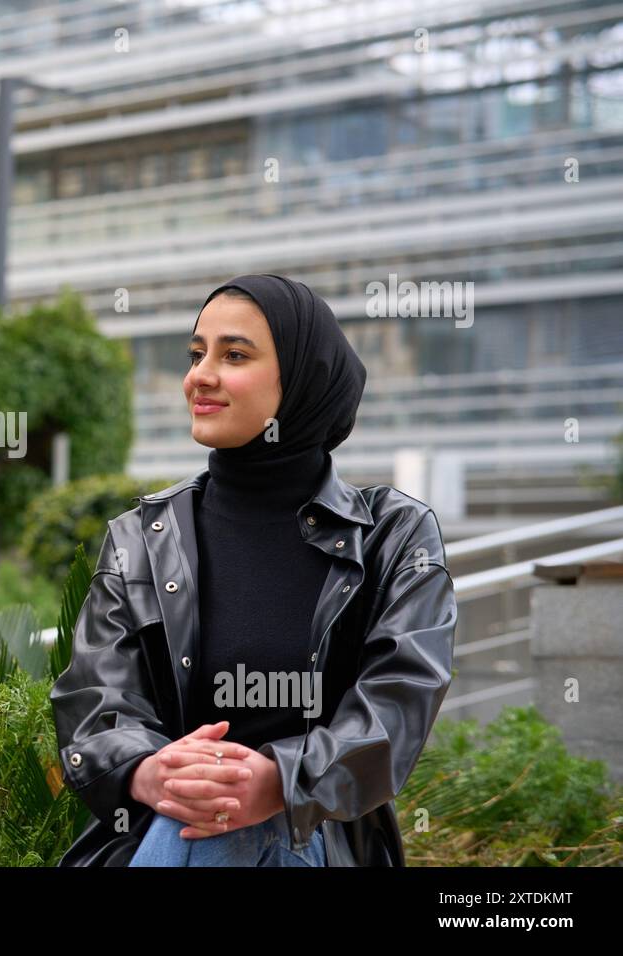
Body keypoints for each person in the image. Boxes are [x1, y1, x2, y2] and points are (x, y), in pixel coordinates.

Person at [49, 274, 457, 866]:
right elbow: (93, 697)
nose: (200, 376)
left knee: (229, 813)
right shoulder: (142, 536)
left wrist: (277, 781)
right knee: (208, 807)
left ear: (301, 379)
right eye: (196, 355)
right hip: (153, 838)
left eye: (233, 355)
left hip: (314, 843)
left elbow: (400, 701)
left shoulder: (393, 536)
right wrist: (149, 772)